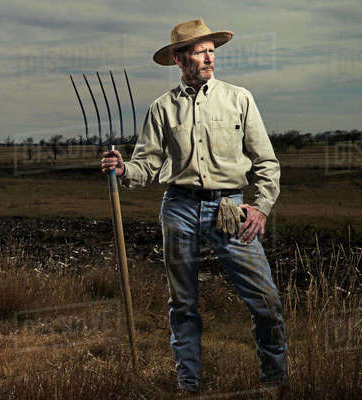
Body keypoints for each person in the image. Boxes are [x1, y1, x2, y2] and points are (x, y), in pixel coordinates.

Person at [100, 19, 288, 394]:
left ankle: (275, 380)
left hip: (230, 209)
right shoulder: (162, 108)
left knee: (266, 300)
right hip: (180, 208)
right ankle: (189, 384)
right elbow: (147, 165)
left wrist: (262, 207)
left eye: (212, 50)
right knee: (183, 303)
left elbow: (266, 163)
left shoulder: (239, 98)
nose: (209, 57)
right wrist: (123, 168)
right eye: (200, 51)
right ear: (179, 58)